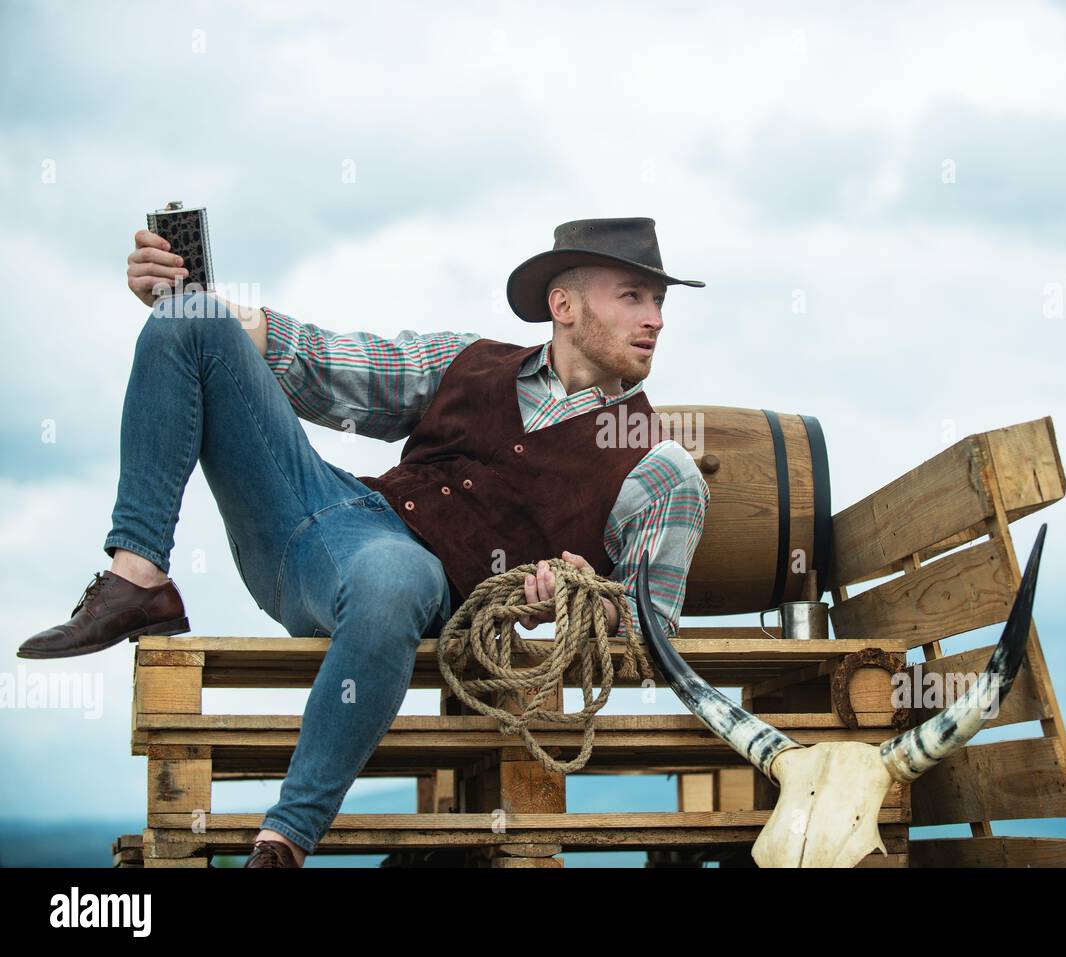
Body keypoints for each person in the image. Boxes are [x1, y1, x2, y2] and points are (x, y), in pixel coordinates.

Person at [17, 217, 711, 868]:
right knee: (186, 320)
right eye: (633, 296)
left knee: (393, 575)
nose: (654, 318)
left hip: (414, 583)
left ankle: (284, 838)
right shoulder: (464, 361)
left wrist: (574, 601)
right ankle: (138, 576)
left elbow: (653, 629)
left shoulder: (660, 469)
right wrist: (189, 296)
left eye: (658, 301)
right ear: (564, 304)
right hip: (318, 510)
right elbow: (327, 364)